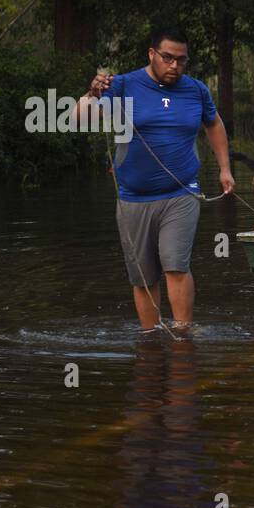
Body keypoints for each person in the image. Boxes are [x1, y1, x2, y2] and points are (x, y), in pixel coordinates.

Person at [79, 27, 235, 330]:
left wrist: (225, 168)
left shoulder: (196, 90)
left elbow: (214, 124)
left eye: (181, 60)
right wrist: (91, 93)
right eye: (167, 58)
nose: (174, 66)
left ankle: (182, 335)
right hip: (133, 197)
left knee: (175, 265)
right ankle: (150, 338)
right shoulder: (123, 84)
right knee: (143, 276)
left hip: (181, 193)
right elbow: (82, 118)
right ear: (152, 54)